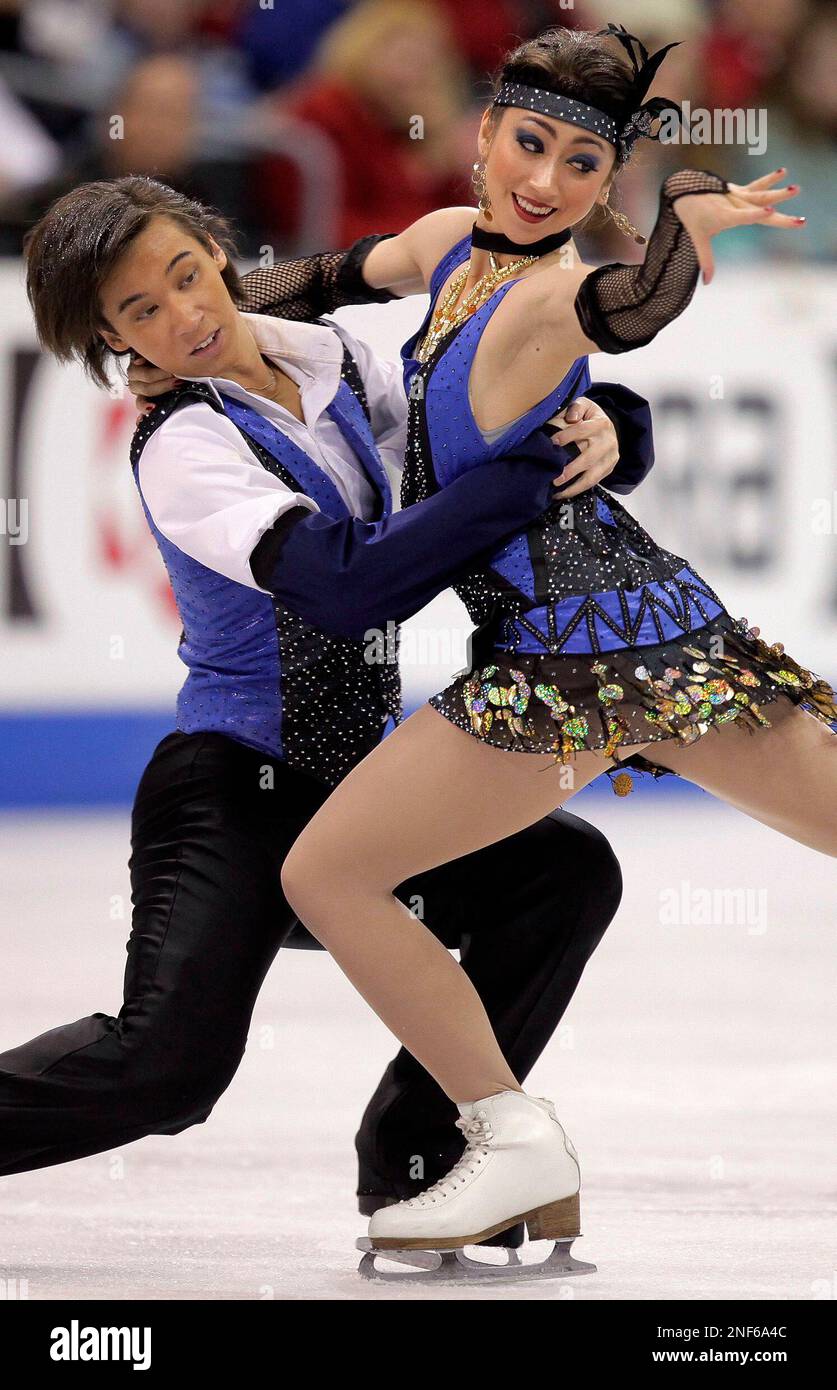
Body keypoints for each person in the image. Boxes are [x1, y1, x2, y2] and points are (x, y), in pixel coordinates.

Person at [266, 24, 837, 1266]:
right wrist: (197, 312)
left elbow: (629, 304)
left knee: (328, 875)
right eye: (531, 144)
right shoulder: (443, 252)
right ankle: (508, 1137)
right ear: (483, 136)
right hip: (631, 632)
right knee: (332, 872)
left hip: (576, 655)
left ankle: (511, 1138)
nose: (545, 181)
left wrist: (685, 215)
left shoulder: (547, 291)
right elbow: (320, 278)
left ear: (604, 184)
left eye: (584, 166)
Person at [7, 173, 649, 1269]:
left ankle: (421, 1160)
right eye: (141, 312)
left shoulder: (339, 358)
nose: (185, 316)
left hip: (356, 785)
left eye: (185, 274)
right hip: (232, 792)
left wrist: (604, 429)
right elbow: (346, 585)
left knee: (562, 874)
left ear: (217, 248)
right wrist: (529, 479)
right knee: (166, 1071)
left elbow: (479, 424)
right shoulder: (182, 447)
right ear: (110, 339)